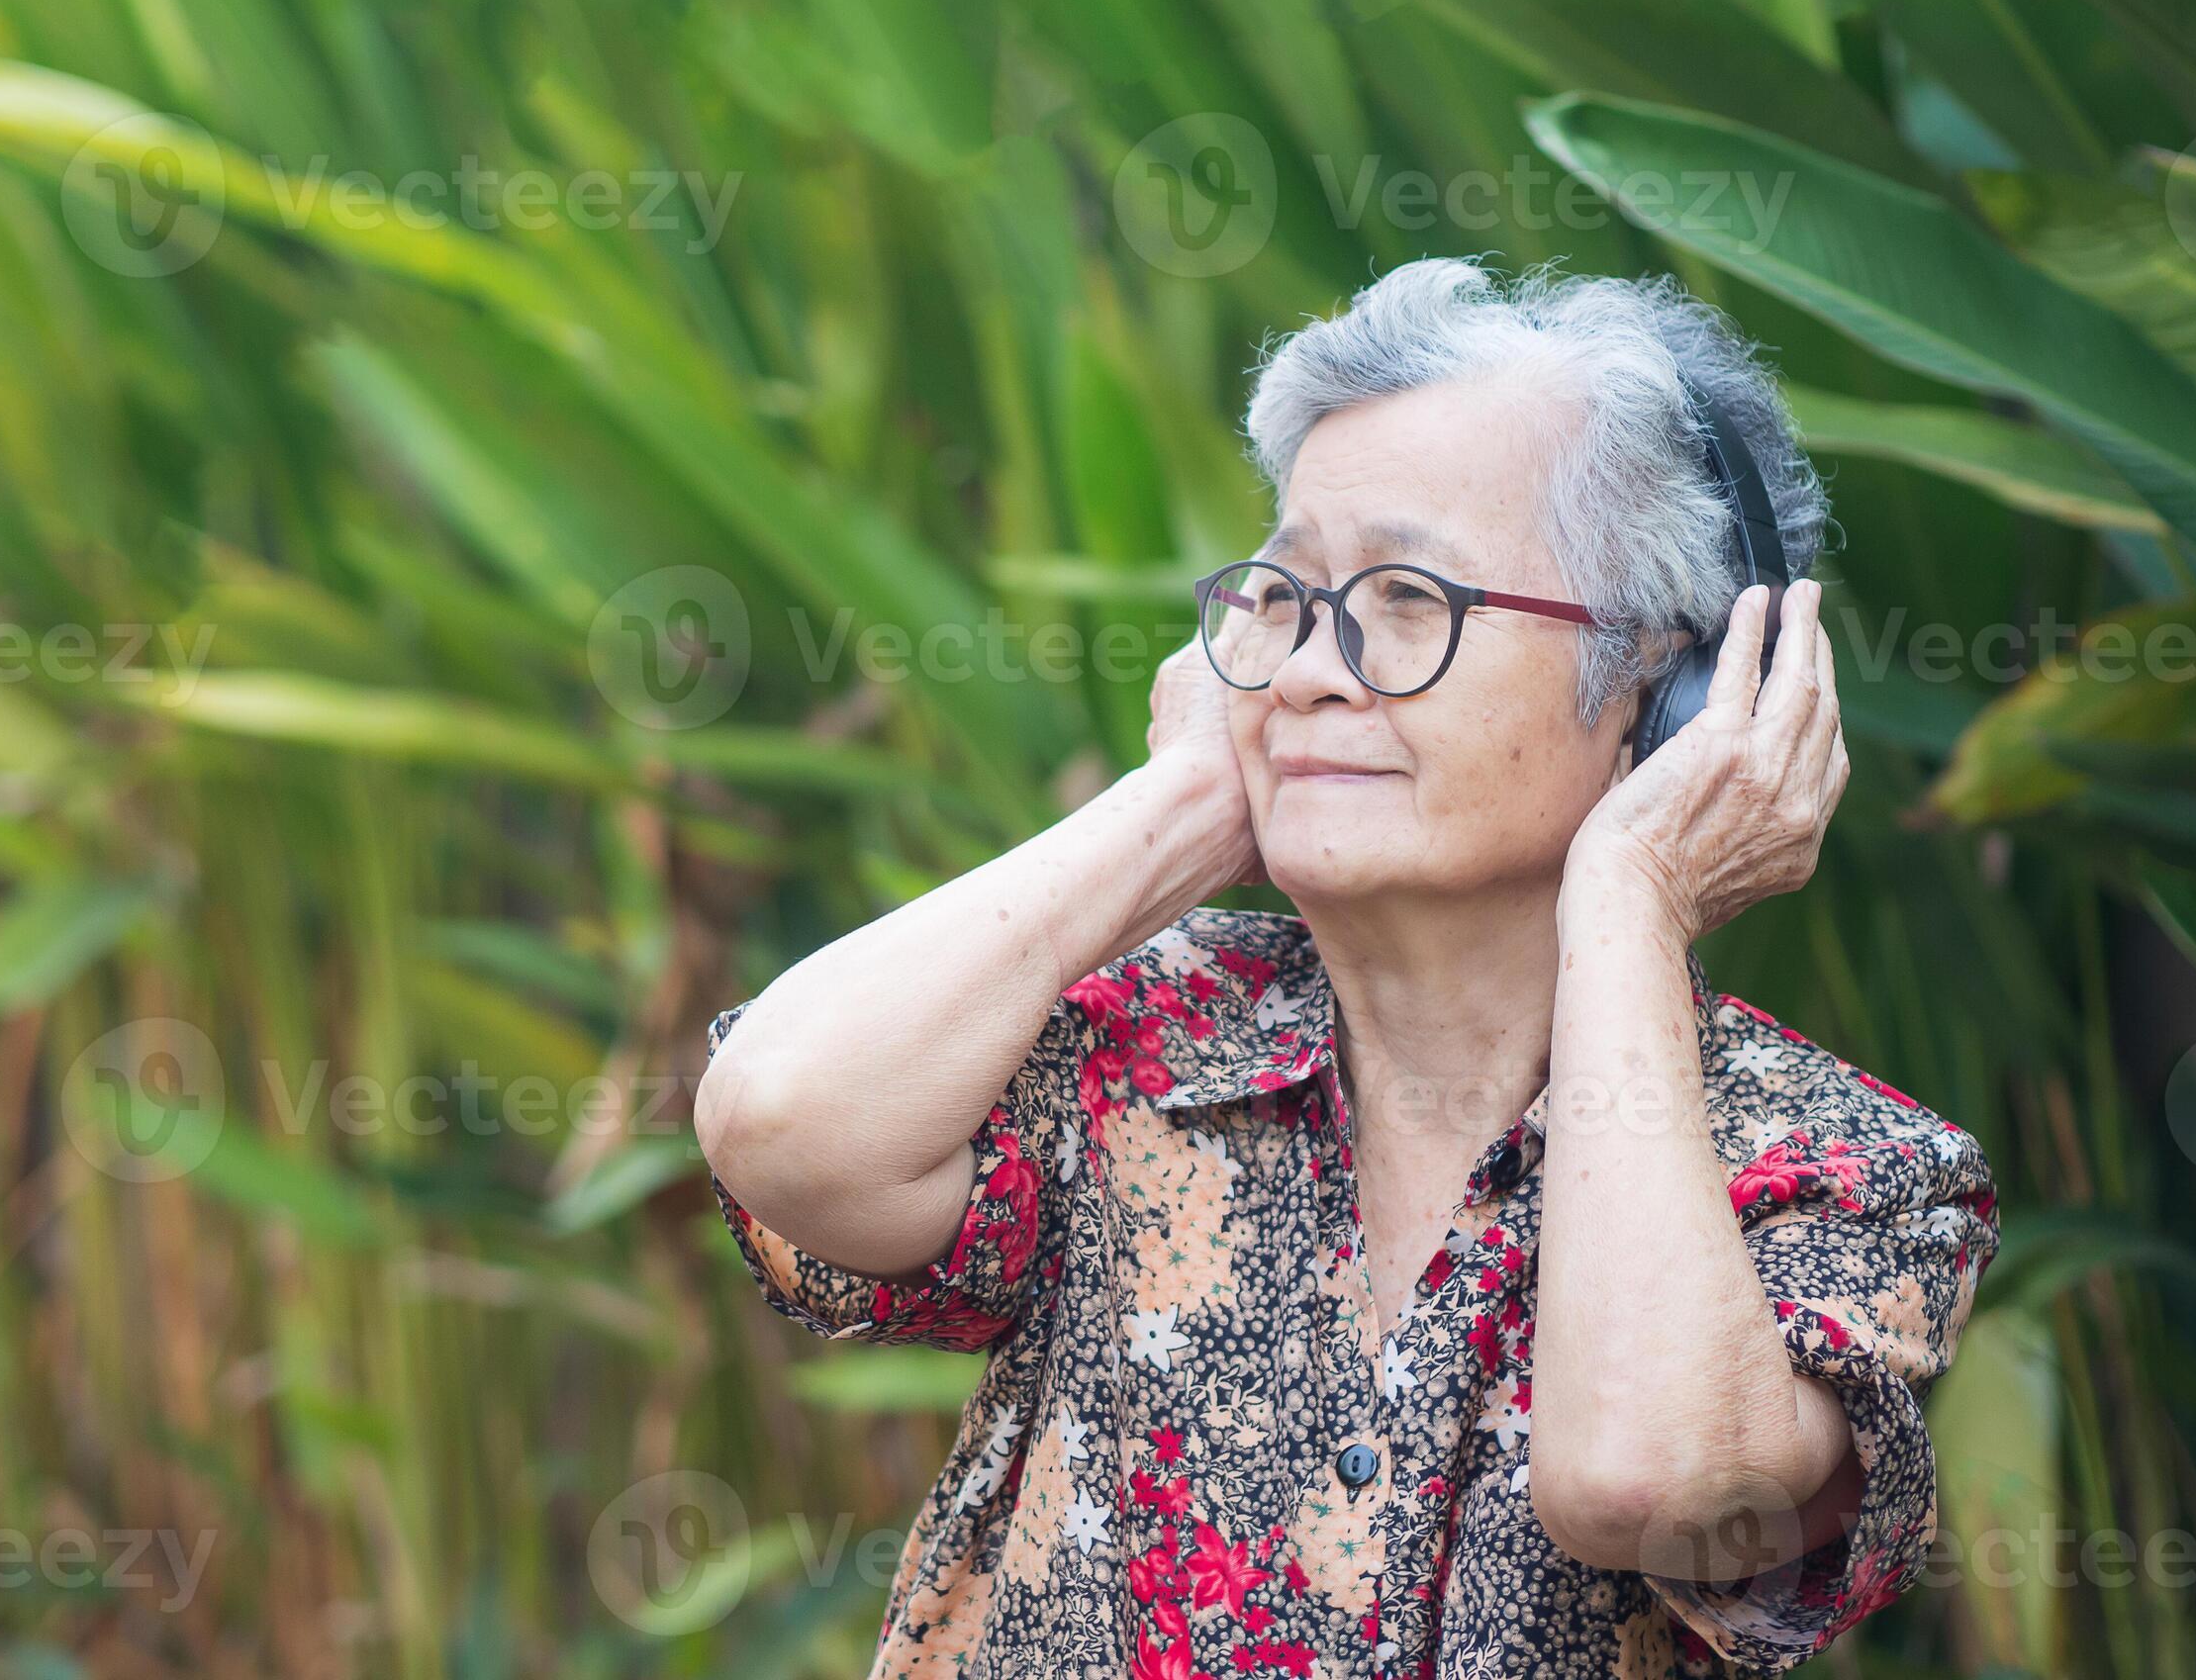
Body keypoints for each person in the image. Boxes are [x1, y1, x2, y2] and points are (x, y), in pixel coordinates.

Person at [694, 258, 2001, 1677]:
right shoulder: (1135, 1045)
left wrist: (1633, 894)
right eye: (1283, 597)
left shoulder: (1839, 1167)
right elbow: (782, 1119)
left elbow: (1647, 1480)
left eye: (1405, 596)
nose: (1312, 667)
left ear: (1664, 685)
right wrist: (1195, 795)